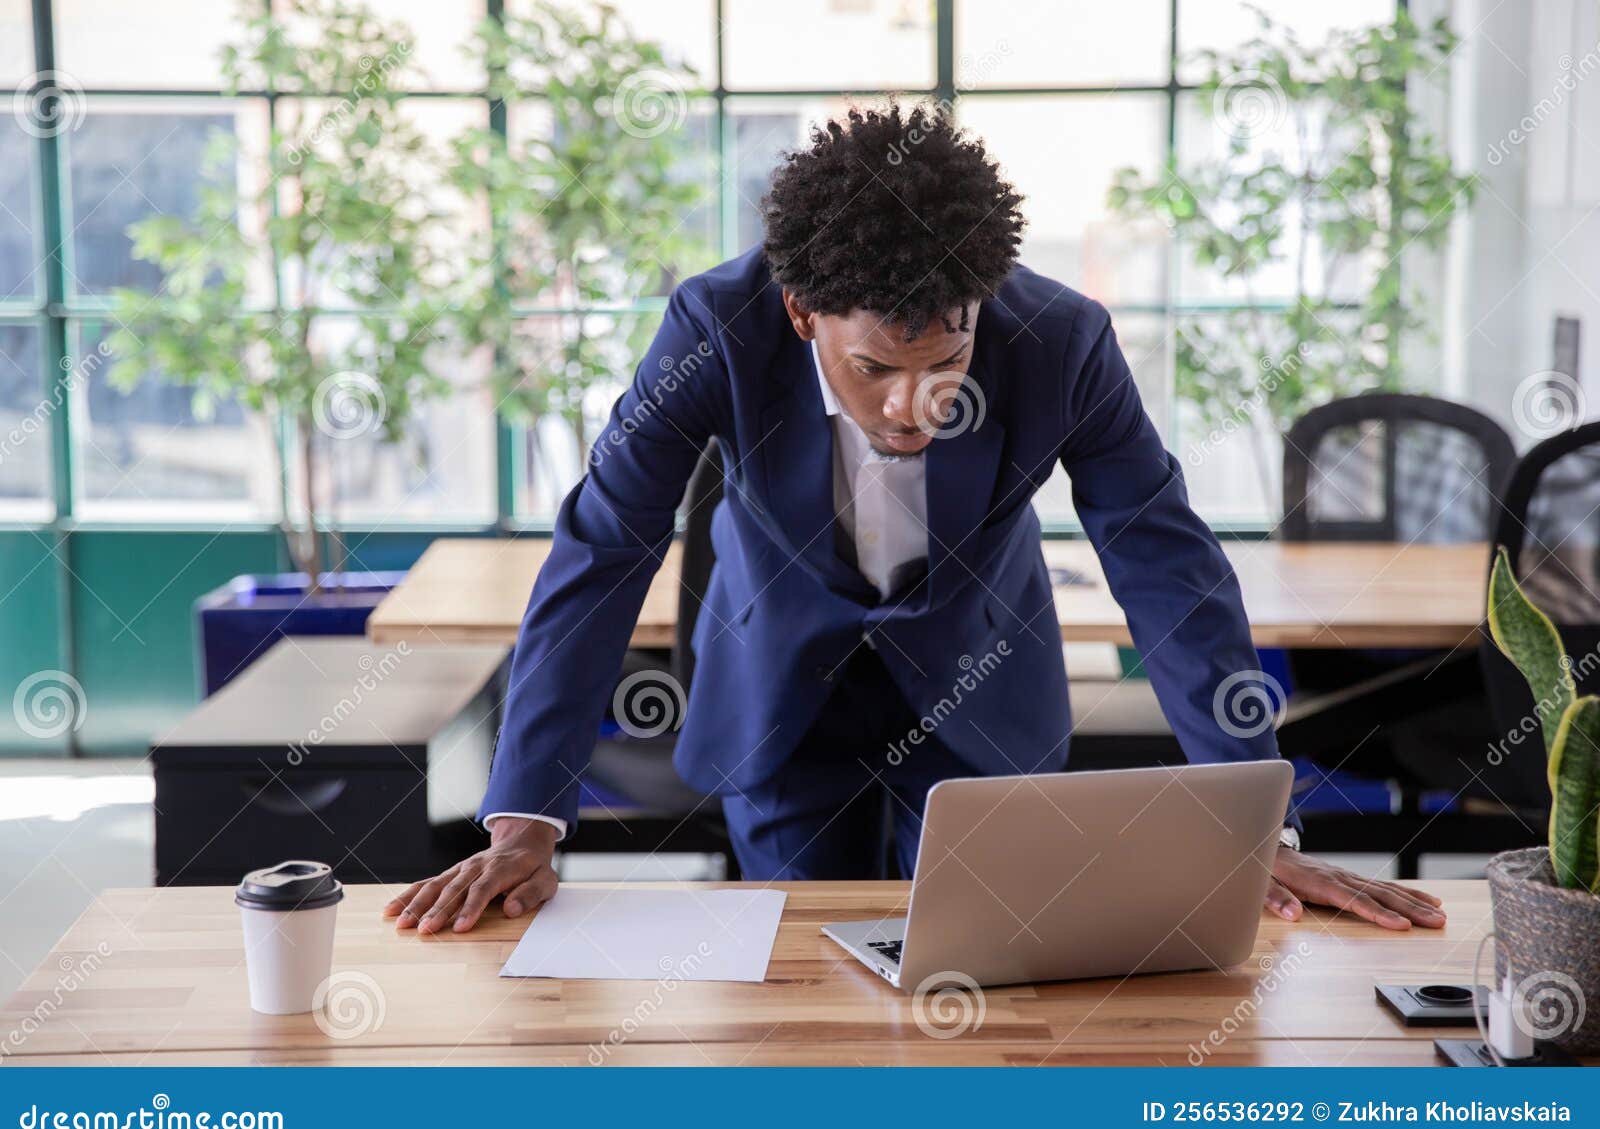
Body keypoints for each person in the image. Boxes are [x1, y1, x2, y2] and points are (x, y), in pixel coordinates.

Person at [386, 103, 1445, 936]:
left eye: (947, 361)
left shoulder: (1061, 340)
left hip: (977, 693)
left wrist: (1253, 816)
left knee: (981, 982)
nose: (916, 405)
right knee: (807, 994)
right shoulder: (713, 328)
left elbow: (1163, 556)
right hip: (779, 702)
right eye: (876, 369)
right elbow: (605, 546)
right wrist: (525, 815)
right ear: (802, 313)